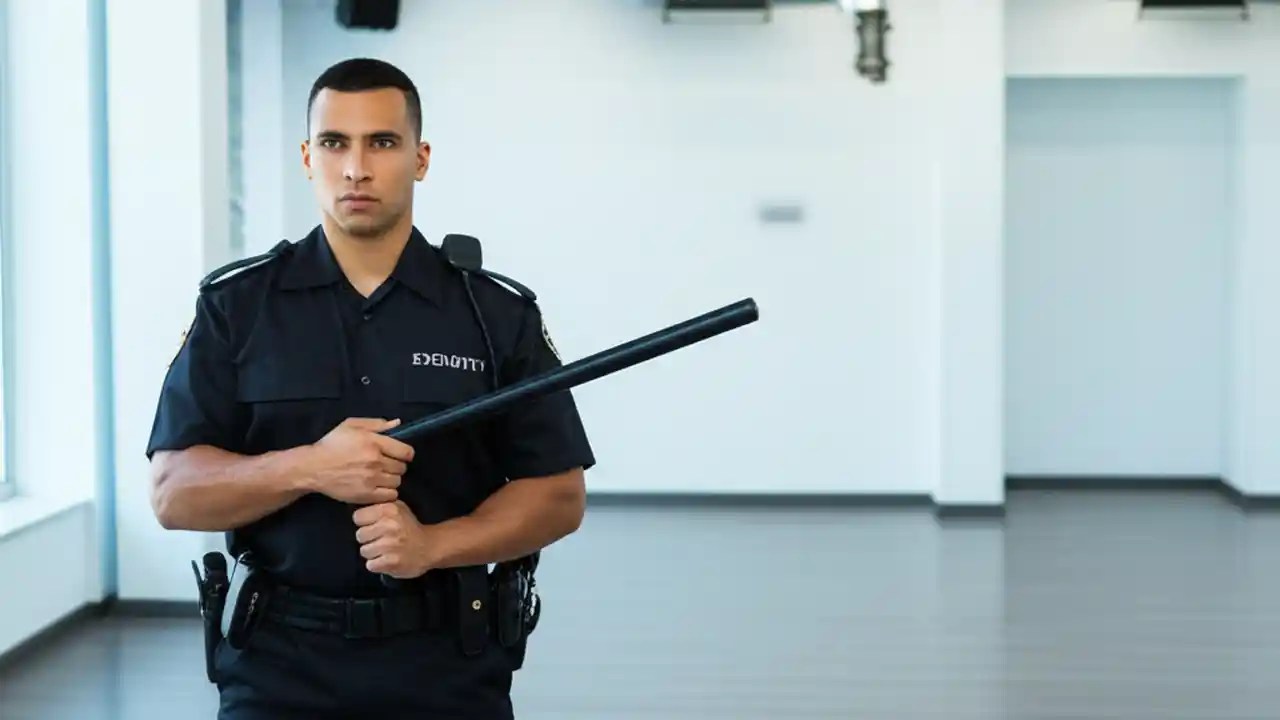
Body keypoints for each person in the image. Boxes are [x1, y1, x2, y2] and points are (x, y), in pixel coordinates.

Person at [146, 57, 595, 719]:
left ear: (421, 157)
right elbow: (173, 493)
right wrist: (311, 467)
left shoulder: (494, 314)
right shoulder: (236, 308)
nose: (356, 168)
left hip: (448, 667)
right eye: (335, 143)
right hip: (277, 671)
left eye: (382, 142)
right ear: (307, 156)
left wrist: (434, 546)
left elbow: (558, 496)